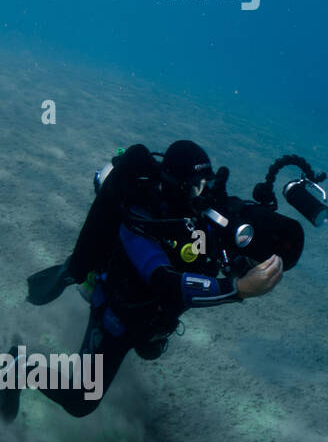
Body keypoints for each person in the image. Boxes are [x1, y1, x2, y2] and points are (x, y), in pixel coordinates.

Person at [6, 140, 288, 421]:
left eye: (206, 183)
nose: (203, 196)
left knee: (146, 347)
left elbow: (217, 256)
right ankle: (18, 365)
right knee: (81, 401)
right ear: (174, 183)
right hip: (117, 321)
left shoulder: (196, 217)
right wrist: (237, 289)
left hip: (152, 318)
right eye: (195, 185)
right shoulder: (139, 220)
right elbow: (165, 282)